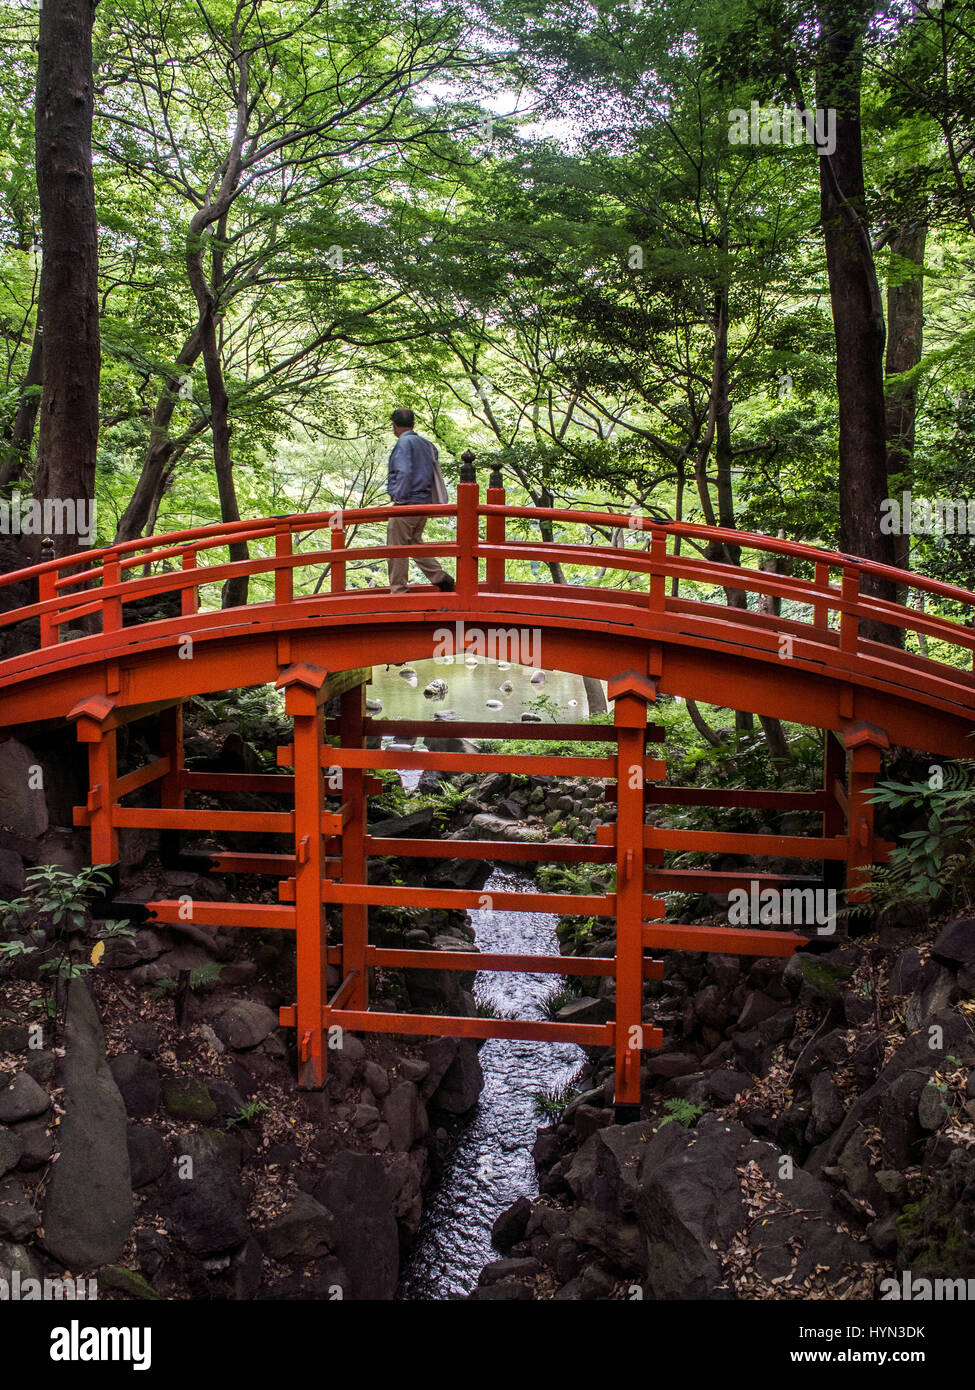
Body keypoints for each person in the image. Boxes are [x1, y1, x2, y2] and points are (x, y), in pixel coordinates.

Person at [385, 407, 455, 594]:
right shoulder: (427, 445)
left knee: (396, 546)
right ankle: (440, 577)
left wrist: (398, 499)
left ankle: (399, 590)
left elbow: (404, 471)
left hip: (407, 503)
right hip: (424, 502)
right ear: (413, 424)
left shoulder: (403, 444)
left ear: (394, 425)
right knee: (414, 542)